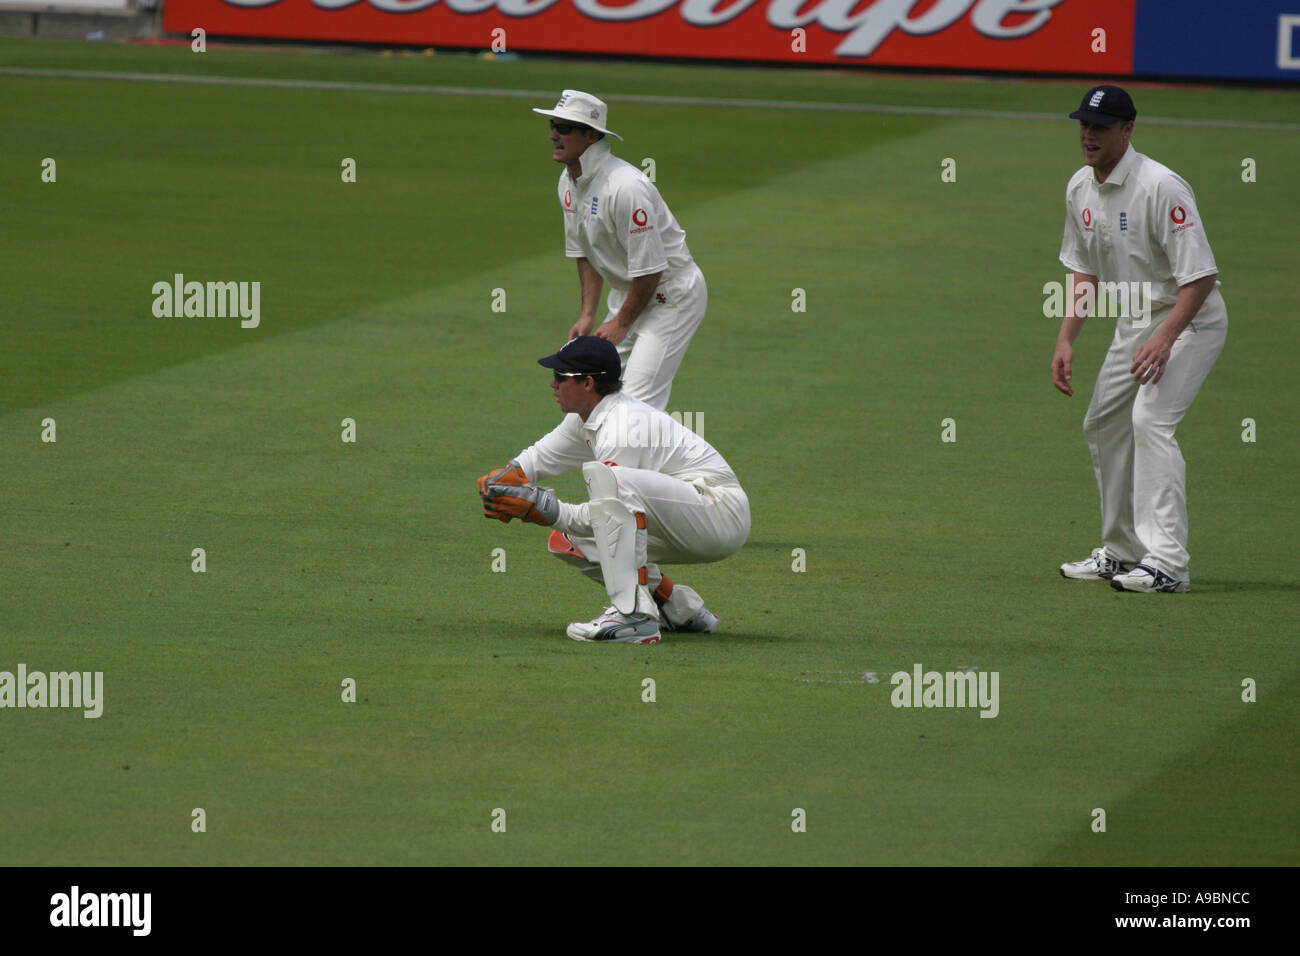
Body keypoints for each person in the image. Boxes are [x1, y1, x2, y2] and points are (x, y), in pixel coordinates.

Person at [1052, 85, 1227, 594]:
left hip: (1190, 321)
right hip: (1136, 324)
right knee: (1103, 423)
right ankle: (1120, 550)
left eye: (1101, 127)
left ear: (1127, 130)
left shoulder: (1162, 187)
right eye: (1084, 124)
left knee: (1150, 419)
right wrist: (1066, 340)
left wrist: (1166, 338)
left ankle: (1168, 564)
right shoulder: (1080, 188)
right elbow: (1085, 272)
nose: (1088, 135)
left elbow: (1201, 278)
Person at [476, 337, 749, 643]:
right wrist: (503, 480)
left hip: (718, 512)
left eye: (559, 377)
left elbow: (609, 510)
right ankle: (678, 610)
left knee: (612, 483)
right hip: (691, 515)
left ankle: (633, 618)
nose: (552, 385)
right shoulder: (587, 416)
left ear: (588, 383)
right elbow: (541, 457)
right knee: (571, 542)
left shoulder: (622, 425)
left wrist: (542, 507)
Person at [532, 90, 708, 411]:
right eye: (552, 123)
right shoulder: (568, 182)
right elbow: (583, 253)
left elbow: (652, 268)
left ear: (591, 135)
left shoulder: (626, 187)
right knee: (597, 396)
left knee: (637, 405)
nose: (553, 134)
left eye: (564, 127)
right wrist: (588, 315)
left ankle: (645, 460)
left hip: (671, 297)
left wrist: (621, 324)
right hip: (630, 295)